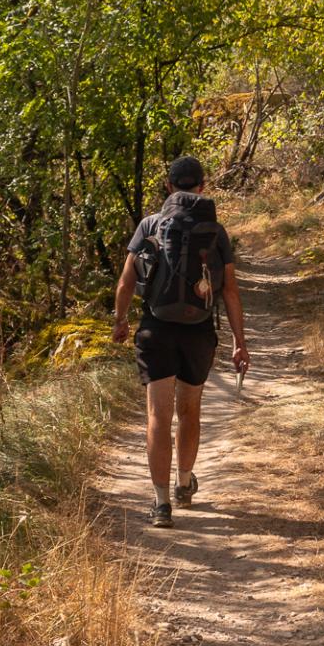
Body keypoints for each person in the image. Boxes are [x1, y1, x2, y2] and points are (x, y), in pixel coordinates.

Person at [112, 155, 249, 528]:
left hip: (156, 328)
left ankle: (159, 505)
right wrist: (240, 342)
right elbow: (231, 291)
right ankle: (184, 484)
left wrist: (121, 320)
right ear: (203, 188)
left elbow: (126, 283)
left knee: (158, 415)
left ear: (169, 187)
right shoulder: (216, 232)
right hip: (199, 331)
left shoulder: (149, 225)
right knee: (189, 411)